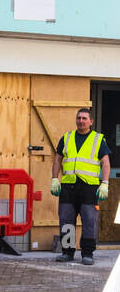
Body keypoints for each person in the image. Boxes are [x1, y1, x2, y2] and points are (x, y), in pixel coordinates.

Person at [51, 107, 111, 265]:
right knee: (66, 220)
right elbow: (57, 159)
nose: (81, 121)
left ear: (91, 121)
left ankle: (87, 254)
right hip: (68, 187)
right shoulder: (67, 137)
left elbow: (105, 162)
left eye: (85, 118)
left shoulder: (98, 139)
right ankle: (67, 252)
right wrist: (54, 179)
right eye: (79, 118)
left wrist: (104, 183)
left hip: (89, 188)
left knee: (89, 221)